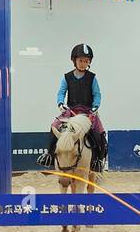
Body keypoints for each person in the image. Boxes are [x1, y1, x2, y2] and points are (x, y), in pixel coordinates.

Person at [37, 43, 107, 172]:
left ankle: (98, 160)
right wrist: (60, 103)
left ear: (89, 62)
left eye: (86, 61)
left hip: (87, 111)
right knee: (54, 126)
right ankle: (49, 155)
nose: (83, 63)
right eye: (80, 60)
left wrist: (95, 106)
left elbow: (97, 94)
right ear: (74, 61)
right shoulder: (67, 77)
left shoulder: (92, 78)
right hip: (71, 111)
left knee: (99, 132)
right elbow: (61, 92)